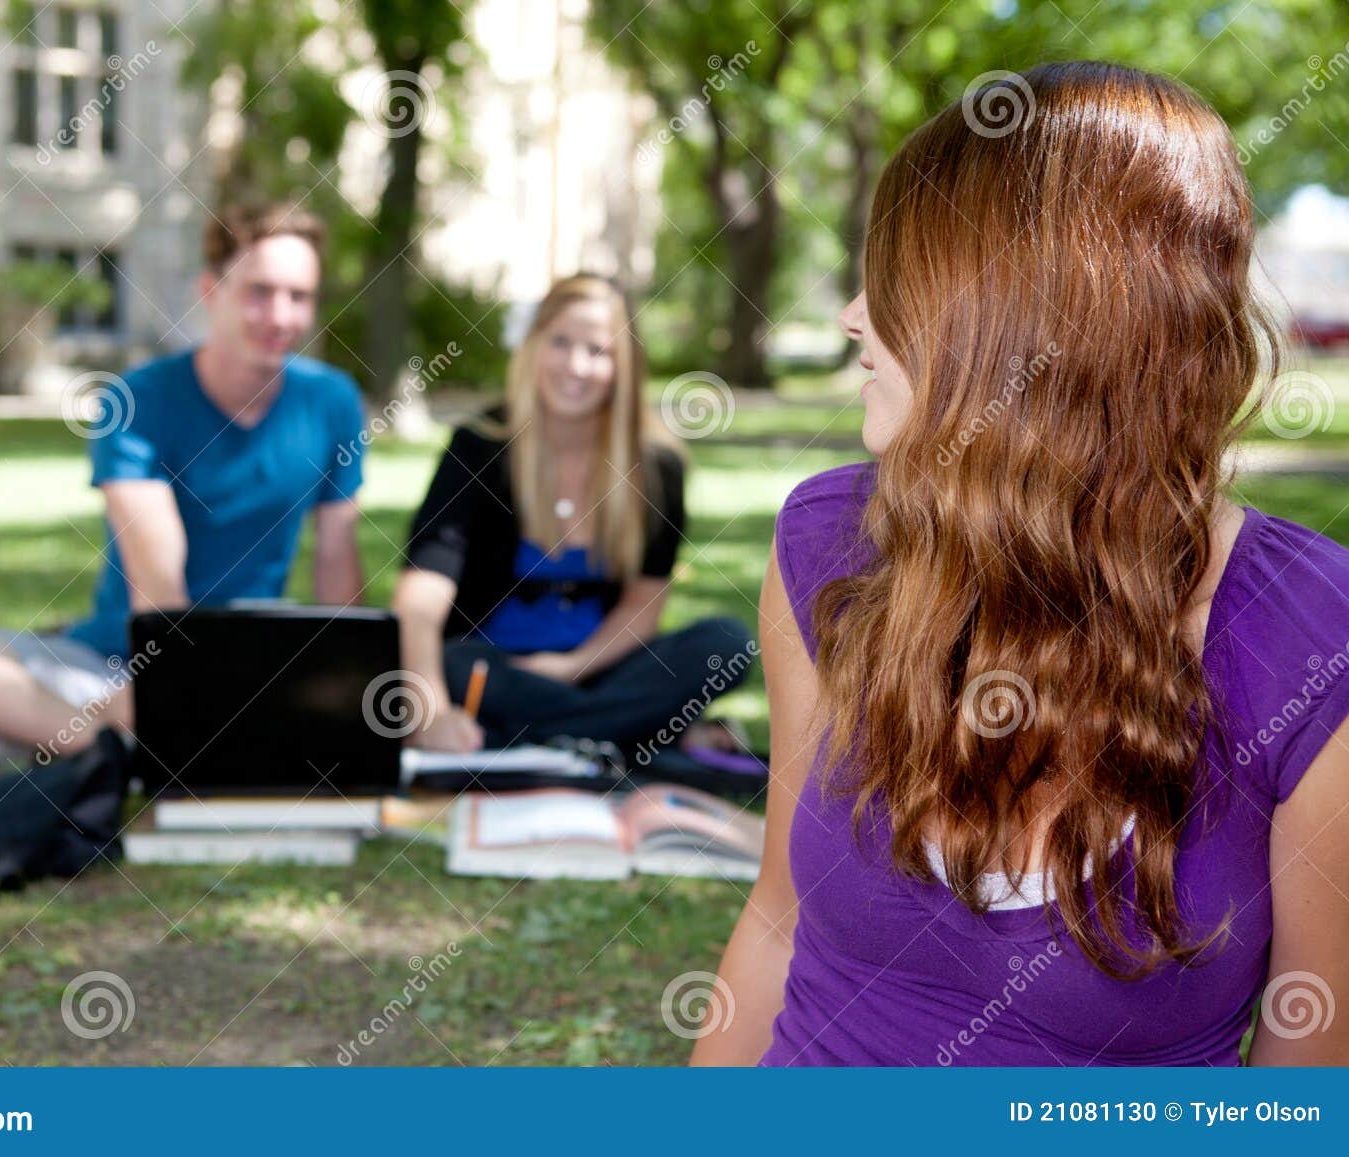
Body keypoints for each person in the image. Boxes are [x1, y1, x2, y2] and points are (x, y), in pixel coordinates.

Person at [694, 62, 1349, 1066]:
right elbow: (777, 919)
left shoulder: (1306, 636)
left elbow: (1308, 1077)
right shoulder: (828, 540)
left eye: (898, 283)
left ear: (1024, 327)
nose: (851, 318)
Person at [0, 201, 367, 770]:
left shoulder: (332, 402)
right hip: (115, 660)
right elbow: (159, 593)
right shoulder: (137, 400)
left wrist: (343, 688)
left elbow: (337, 571)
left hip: (251, 664)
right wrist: (162, 700)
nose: (280, 316)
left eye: (298, 297)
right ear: (211, 290)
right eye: (259, 291)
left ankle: (32, 734)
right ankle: (106, 742)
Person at [391, 274, 753, 756]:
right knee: (458, 667)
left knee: (725, 643)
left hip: (600, 669)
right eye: (560, 342)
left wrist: (570, 668)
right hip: (494, 671)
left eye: (598, 351)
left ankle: (548, 737)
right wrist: (432, 712)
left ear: (625, 366)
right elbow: (421, 596)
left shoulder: (657, 466)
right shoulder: (479, 446)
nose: (576, 366)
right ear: (534, 345)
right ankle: (638, 737)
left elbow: (643, 606)